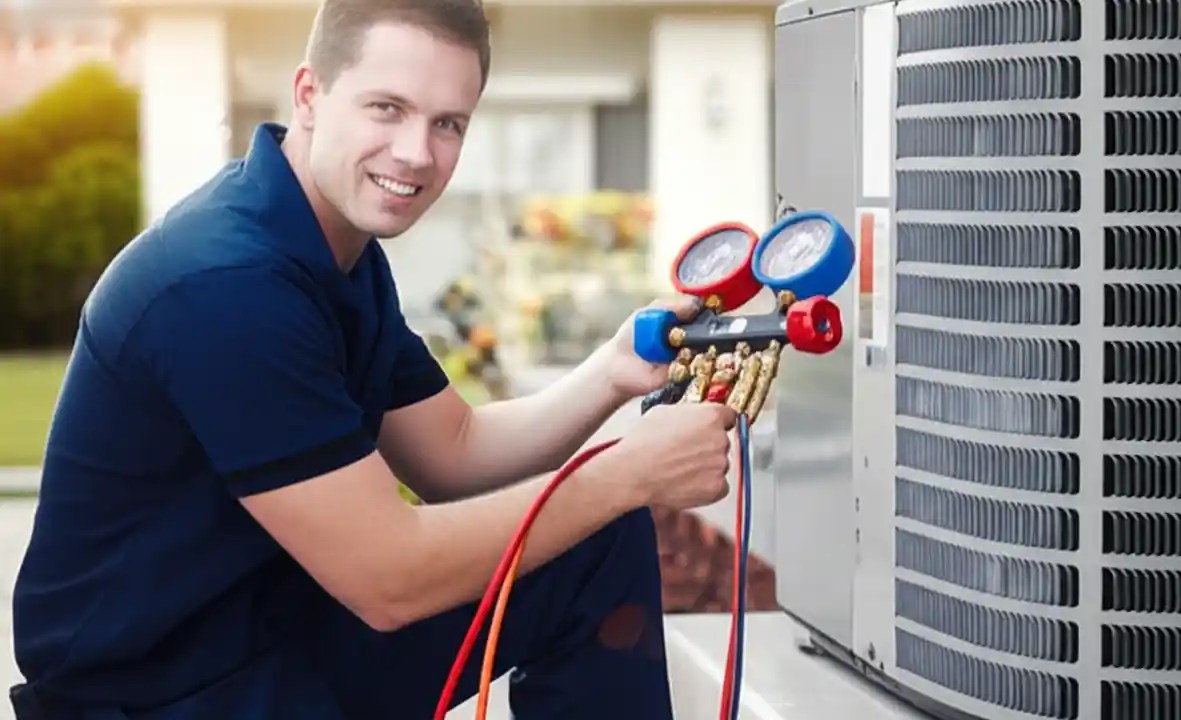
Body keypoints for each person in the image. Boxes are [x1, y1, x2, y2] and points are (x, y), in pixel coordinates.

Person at [7, 1, 739, 718]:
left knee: (596, 544)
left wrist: (609, 373)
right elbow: (388, 580)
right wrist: (624, 474)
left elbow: (451, 451)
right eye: (387, 108)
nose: (417, 153)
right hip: (158, 691)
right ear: (310, 95)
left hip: (276, 632)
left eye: (447, 123)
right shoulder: (225, 283)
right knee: (597, 509)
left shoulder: (337, 252)